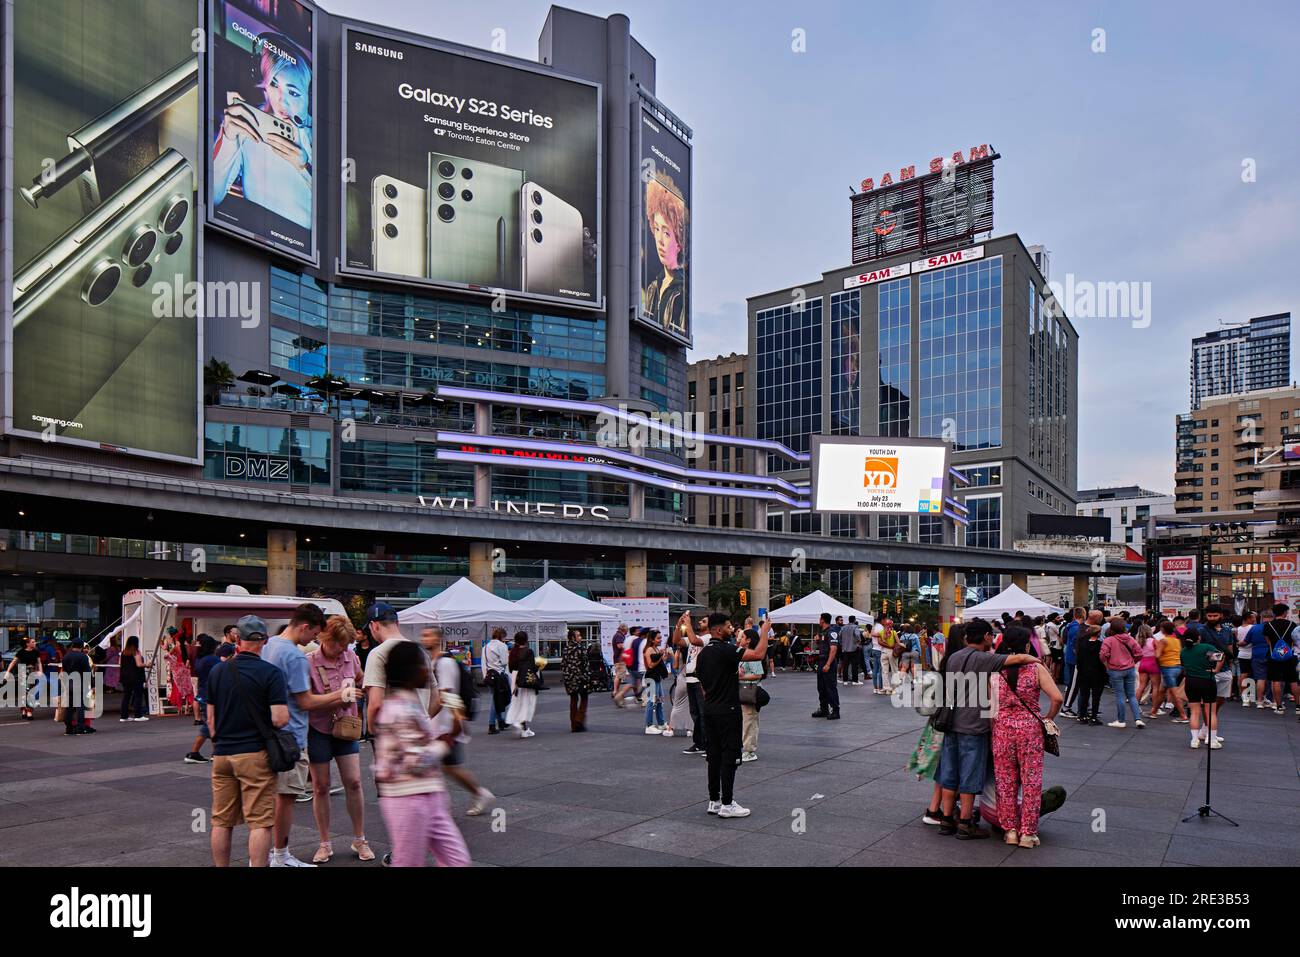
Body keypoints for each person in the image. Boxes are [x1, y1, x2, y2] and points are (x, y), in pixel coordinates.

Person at [935, 619, 1037, 839]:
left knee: (949, 773)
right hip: (973, 725)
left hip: (950, 723)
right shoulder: (985, 658)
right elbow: (1019, 658)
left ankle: (946, 820)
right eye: (990, 635)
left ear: (966, 637)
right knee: (969, 775)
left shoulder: (954, 657)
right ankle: (965, 823)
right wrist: (1037, 660)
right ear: (986, 637)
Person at [373, 641, 470, 867]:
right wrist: (446, 741)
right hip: (407, 797)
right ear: (409, 671)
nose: (428, 670)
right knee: (409, 863)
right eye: (422, 664)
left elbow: (418, 745)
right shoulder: (396, 710)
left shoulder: (411, 702)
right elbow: (415, 761)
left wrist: (447, 735)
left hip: (428, 793)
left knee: (458, 860)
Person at [261, 602, 342, 867]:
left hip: (267, 733)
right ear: (305, 627)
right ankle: (280, 855)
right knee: (286, 799)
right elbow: (306, 702)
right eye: (314, 634)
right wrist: (339, 695)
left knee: (267, 799)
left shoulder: (268, 645)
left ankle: (262, 854)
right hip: (290, 736)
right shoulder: (294, 657)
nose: (314, 641)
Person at [206, 615, 290, 867]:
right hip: (255, 754)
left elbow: (210, 719)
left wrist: (220, 744)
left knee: (221, 821)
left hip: (222, 754)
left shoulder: (218, 671)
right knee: (260, 823)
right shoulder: (271, 673)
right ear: (265, 640)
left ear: (238, 640)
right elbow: (280, 718)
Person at [212, 30, 312, 229]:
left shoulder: (323, 138)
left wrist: (305, 170)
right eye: (274, 85)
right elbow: (211, 197)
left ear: (309, 95)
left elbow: (337, 223)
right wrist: (228, 138)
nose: (281, 101)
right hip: (253, 233)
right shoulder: (248, 123)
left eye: (293, 92)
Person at [684, 611, 768, 818]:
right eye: (729, 627)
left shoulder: (702, 654)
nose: (732, 630)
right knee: (729, 756)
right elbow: (758, 655)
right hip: (728, 711)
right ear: (719, 629)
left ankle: (714, 800)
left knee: (713, 757)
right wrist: (764, 631)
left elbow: (703, 685)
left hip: (710, 710)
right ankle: (728, 804)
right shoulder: (727, 649)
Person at [305, 615, 373, 864]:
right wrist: (341, 696)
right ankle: (324, 843)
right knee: (320, 786)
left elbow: (361, 678)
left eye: (346, 644)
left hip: (346, 726)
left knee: (354, 782)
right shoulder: (309, 662)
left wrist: (362, 690)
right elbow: (305, 701)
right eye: (339, 644)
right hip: (318, 728)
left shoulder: (350, 657)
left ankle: (360, 838)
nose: (342, 649)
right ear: (325, 637)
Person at [991, 627, 1062, 848]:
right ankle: (1028, 834)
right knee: (1031, 781)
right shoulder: (1035, 667)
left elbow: (989, 708)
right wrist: (1047, 718)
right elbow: (1057, 698)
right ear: (1027, 645)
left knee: (1005, 781)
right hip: (1030, 730)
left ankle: (1010, 831)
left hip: (1002, 729)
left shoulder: (995, 670)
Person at [422, 626, 495, 817]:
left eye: (428, 635)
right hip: (441, 724)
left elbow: (445, 695)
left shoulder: (445, 663)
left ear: (438, 639)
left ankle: (479, 793)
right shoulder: (435, 662)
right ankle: (442, 805)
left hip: (446, 725)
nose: (424, 639)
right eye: (423, 635)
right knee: (443, 767)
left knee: (449, 766)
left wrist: (426, 718)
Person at [642, 172, 687, 336]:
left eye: (667, 233)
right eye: (657, 229)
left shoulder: (683, 292)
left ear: (679, 241)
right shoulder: (653, 287)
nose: (659, 240)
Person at [1181, 626, 1225, 749]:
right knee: (1210, 712)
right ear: (1198, 637)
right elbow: (1221, 657)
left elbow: (1184, 666)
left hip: (1190, 682)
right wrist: (1216, 670)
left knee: (1194, 712)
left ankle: (1194, 740)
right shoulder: (1205, 648)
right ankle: (1212, 740)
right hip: (1207, 680)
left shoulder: (1184, 651)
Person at [1100, 617, 1145, 729]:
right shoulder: (1130, 639)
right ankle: (1138, 719)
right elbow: (1139, 653)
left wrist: (1107, 664)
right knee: (1131, 695)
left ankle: (1121, 720)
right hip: (1129, 668)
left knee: (1120, 695)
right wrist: (1133, 661)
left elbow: (1103, 655)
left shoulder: (1109, 640)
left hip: (1115, 669)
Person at [185, 635, 220, 763]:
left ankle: (215, 753)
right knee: (210, 723)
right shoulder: (212, 660)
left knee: (212, 723)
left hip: (203, 692)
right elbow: (223, 670)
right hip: (211, 695)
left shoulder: (200, 659)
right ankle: (195, 752)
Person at [1261, 603, 1299, 717]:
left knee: (1276, 680)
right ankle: (1298, 707)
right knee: (1293, 680)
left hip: (1274, 656)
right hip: (1289, 655)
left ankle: (1279, 706)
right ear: (1284, 613)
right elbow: (1295, 640)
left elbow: (1268, 641)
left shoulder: (1268, 625)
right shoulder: (1292, 624)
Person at [681, 613, 711, 755]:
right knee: (695, 714)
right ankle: (699, 743)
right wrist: (678, 625)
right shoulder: (695, 636)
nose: (700, 622)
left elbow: (694, 641)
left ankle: (708, 743)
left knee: (703, 713)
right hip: (690, 679)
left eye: (703, 621)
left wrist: (687, 623)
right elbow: (677, 641)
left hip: (700, 680)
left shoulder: (708, 637)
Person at [1150, 620, 1189, 723]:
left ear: (1162, 629)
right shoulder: (1176, 640)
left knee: (1174, 693)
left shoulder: (1163, 641)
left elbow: (1157, 655)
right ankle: (1153, 711)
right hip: (1177, 667)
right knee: (1162, 691)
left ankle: (1183, 716)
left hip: (1167, 668)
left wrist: (1155, 650)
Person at [738, 626, 766, 762]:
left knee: (750, 721)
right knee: (746, 721)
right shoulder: (745, 654)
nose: (740, 639)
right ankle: (746, 748)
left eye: (743, 637)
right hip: (744, 691)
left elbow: (758, 674)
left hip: (750, 691)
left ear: (748, 640)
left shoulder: (752, 655)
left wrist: (741, 677)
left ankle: (749, 751)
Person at [506, 631, 539, 738]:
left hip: (515, 678)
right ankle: (520, 722)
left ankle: (523, 727)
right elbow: (532, 667)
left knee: (517, 702)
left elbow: (510, 668)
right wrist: (539, 666)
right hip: (525, 679)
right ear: (526, 640)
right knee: (526, 703)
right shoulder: (528, 651)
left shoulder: (513, 651)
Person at [562, 629, 595, 732]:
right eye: (578, 636)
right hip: (580, 678)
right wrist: (589, 677)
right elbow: (585, 664)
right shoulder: (580, 648)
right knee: (584, 698)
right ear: (573, 637)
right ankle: (578, 720)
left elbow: (563, 664)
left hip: (569, 678)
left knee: (573, 699)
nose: (580, 637)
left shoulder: (566, 649)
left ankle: (574, 725)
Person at [60, 638, 93, 736]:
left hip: (69, 683)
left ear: (72, 645)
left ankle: (69, 728)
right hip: (80, 683)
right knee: (80, 706)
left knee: (69, 706)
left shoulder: (66, 656)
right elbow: (87, 672)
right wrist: (92, 684)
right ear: (81, 646)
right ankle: (80, 728)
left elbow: (64, 671)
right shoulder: (83, 657)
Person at [810, 612, 841, 720]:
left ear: (822, 620)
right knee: (821, 687)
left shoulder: (832, 632)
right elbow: (824, 646)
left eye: (820, 619)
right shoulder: (822, 632)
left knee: (830, 687)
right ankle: (824, 709)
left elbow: (834, 649)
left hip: (829, 662)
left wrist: (828, 664)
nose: (819, 621)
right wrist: (818, 641)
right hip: (821, 661)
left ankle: (835, 710)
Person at [481, 627, 511, 733]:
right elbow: (504, 661)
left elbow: (483, 663)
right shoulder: (502, 646)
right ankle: (492, 724)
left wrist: (485, 676)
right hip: (499, 675)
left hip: (489, 676)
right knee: (499, 699)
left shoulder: (485, 647)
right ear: (502, 636)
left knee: (496, 698)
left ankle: (501, 721)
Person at [4, 636, 41, 721]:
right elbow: (13, 662)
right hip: (22, 672)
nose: (35, 643)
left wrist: (40, 671)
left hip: (32, 672)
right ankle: (26, 710)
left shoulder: (36, 652)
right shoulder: (21, 652)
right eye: (33, 642)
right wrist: (7, 672)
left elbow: (39, 663)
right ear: (27, 644)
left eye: (35, 642)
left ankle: (27, 710)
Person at [642, 629, 669, 734]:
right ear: (652, 640)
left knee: (659, 701)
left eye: (660, 638)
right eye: (658, 638)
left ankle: (661, 723)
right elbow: (651, 665)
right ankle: (648, 726)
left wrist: (664, 656)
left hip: (657, 678)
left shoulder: (656, 649)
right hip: (651, 678)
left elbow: (660, 662)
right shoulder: (649, 649)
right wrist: (660, 656)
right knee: (651, 702)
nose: (660, 640)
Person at [118, 636, 148, 722]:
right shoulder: (136, 652)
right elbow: (139, 664)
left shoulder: (123, 652)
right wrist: (147, 664)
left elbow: (119, 663)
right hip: (136, 676)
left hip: (125, 677)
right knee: (138, 695)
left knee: (126, 696)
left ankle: (124, 716)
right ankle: (138, 715)